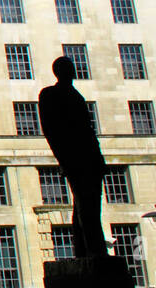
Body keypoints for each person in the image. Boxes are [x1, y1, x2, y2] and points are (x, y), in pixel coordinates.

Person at [38, 56, 107, 257]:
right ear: (59, 72)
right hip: (76, 160)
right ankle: (96, 253)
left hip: (91, 159)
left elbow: (88, 130)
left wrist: (99, 158)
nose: (73, 71)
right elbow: (51, 131)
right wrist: (64, 161)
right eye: (68, 68)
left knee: (85, 208)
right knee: (88, 208)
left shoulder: (76, 95)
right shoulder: (50, 94)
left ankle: (84, 253)